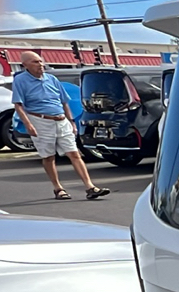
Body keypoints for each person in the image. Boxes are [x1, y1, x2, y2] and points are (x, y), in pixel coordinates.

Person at [11, 51, 109, 201]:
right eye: (35, 62)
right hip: (40, 120)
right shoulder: (20, 81)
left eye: (40, 61)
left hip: (61, 120)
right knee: (49, 156)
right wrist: (28, 124)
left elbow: (64, 101)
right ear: (25, 65)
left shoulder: (51, 79)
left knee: (74, 153)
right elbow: (18, 105)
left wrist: (71, 121)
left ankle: (90, 187)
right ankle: (58, 188)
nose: (40, 65)